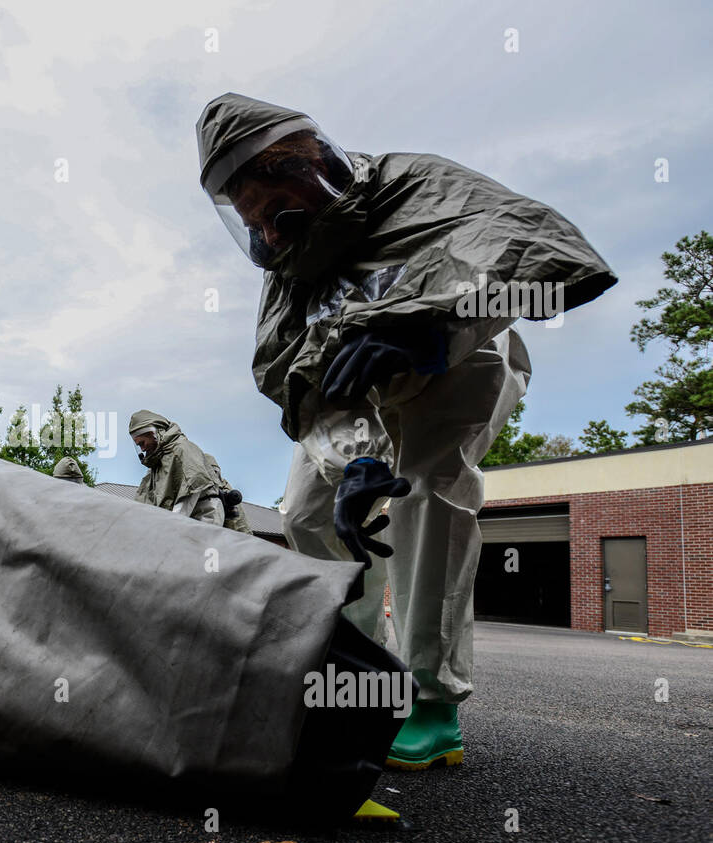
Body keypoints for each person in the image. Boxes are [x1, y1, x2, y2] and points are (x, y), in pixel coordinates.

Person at [196, 93, 616, 768]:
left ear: (309, 166)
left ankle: (431, 700)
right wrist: (354, 459)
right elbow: (294, 377)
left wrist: (429, 326)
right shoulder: (291, 273)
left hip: (459, 355)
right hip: (365, 392)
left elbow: (539, 254)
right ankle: (360, 680)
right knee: (309, 513)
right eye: (253, 224)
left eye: (277, 212)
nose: (271, 236)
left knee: (429, 493)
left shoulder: (417, 184)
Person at [128, 410, 225, 525]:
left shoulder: (182, 450)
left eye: (142, 443)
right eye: (139, 445)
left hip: (203, 520)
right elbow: (144, 503)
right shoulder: (158, 465)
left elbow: (192, 488)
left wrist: (173, 527)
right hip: (185, 525)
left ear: (154, 434)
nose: (142, 449)